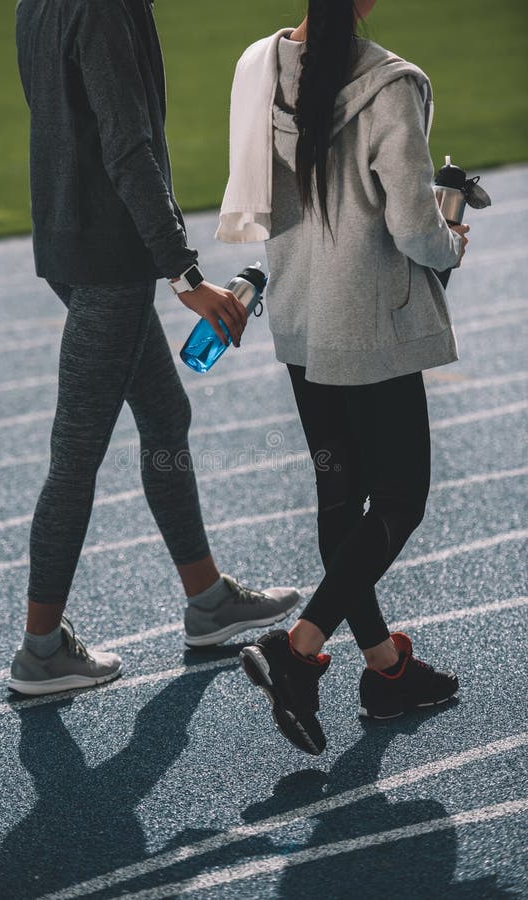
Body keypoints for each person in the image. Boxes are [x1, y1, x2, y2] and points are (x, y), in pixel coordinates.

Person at [8, 0, 301, 697]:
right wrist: (185, 273)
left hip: (66, 243)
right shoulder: (105, 9)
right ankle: (41, 651)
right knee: (75, 456)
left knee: (165, 419)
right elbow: (127, 144)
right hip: (112, 259)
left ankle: (207, 601)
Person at [217, 0, 469, 754]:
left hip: (298, 316)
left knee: (341, 495)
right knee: (397, 499)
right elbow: (410, 228)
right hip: (369, 326)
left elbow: (257, 199)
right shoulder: (394, 84)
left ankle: (385, 669)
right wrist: (451, 237)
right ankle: (295, 650)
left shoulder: (255, 65)